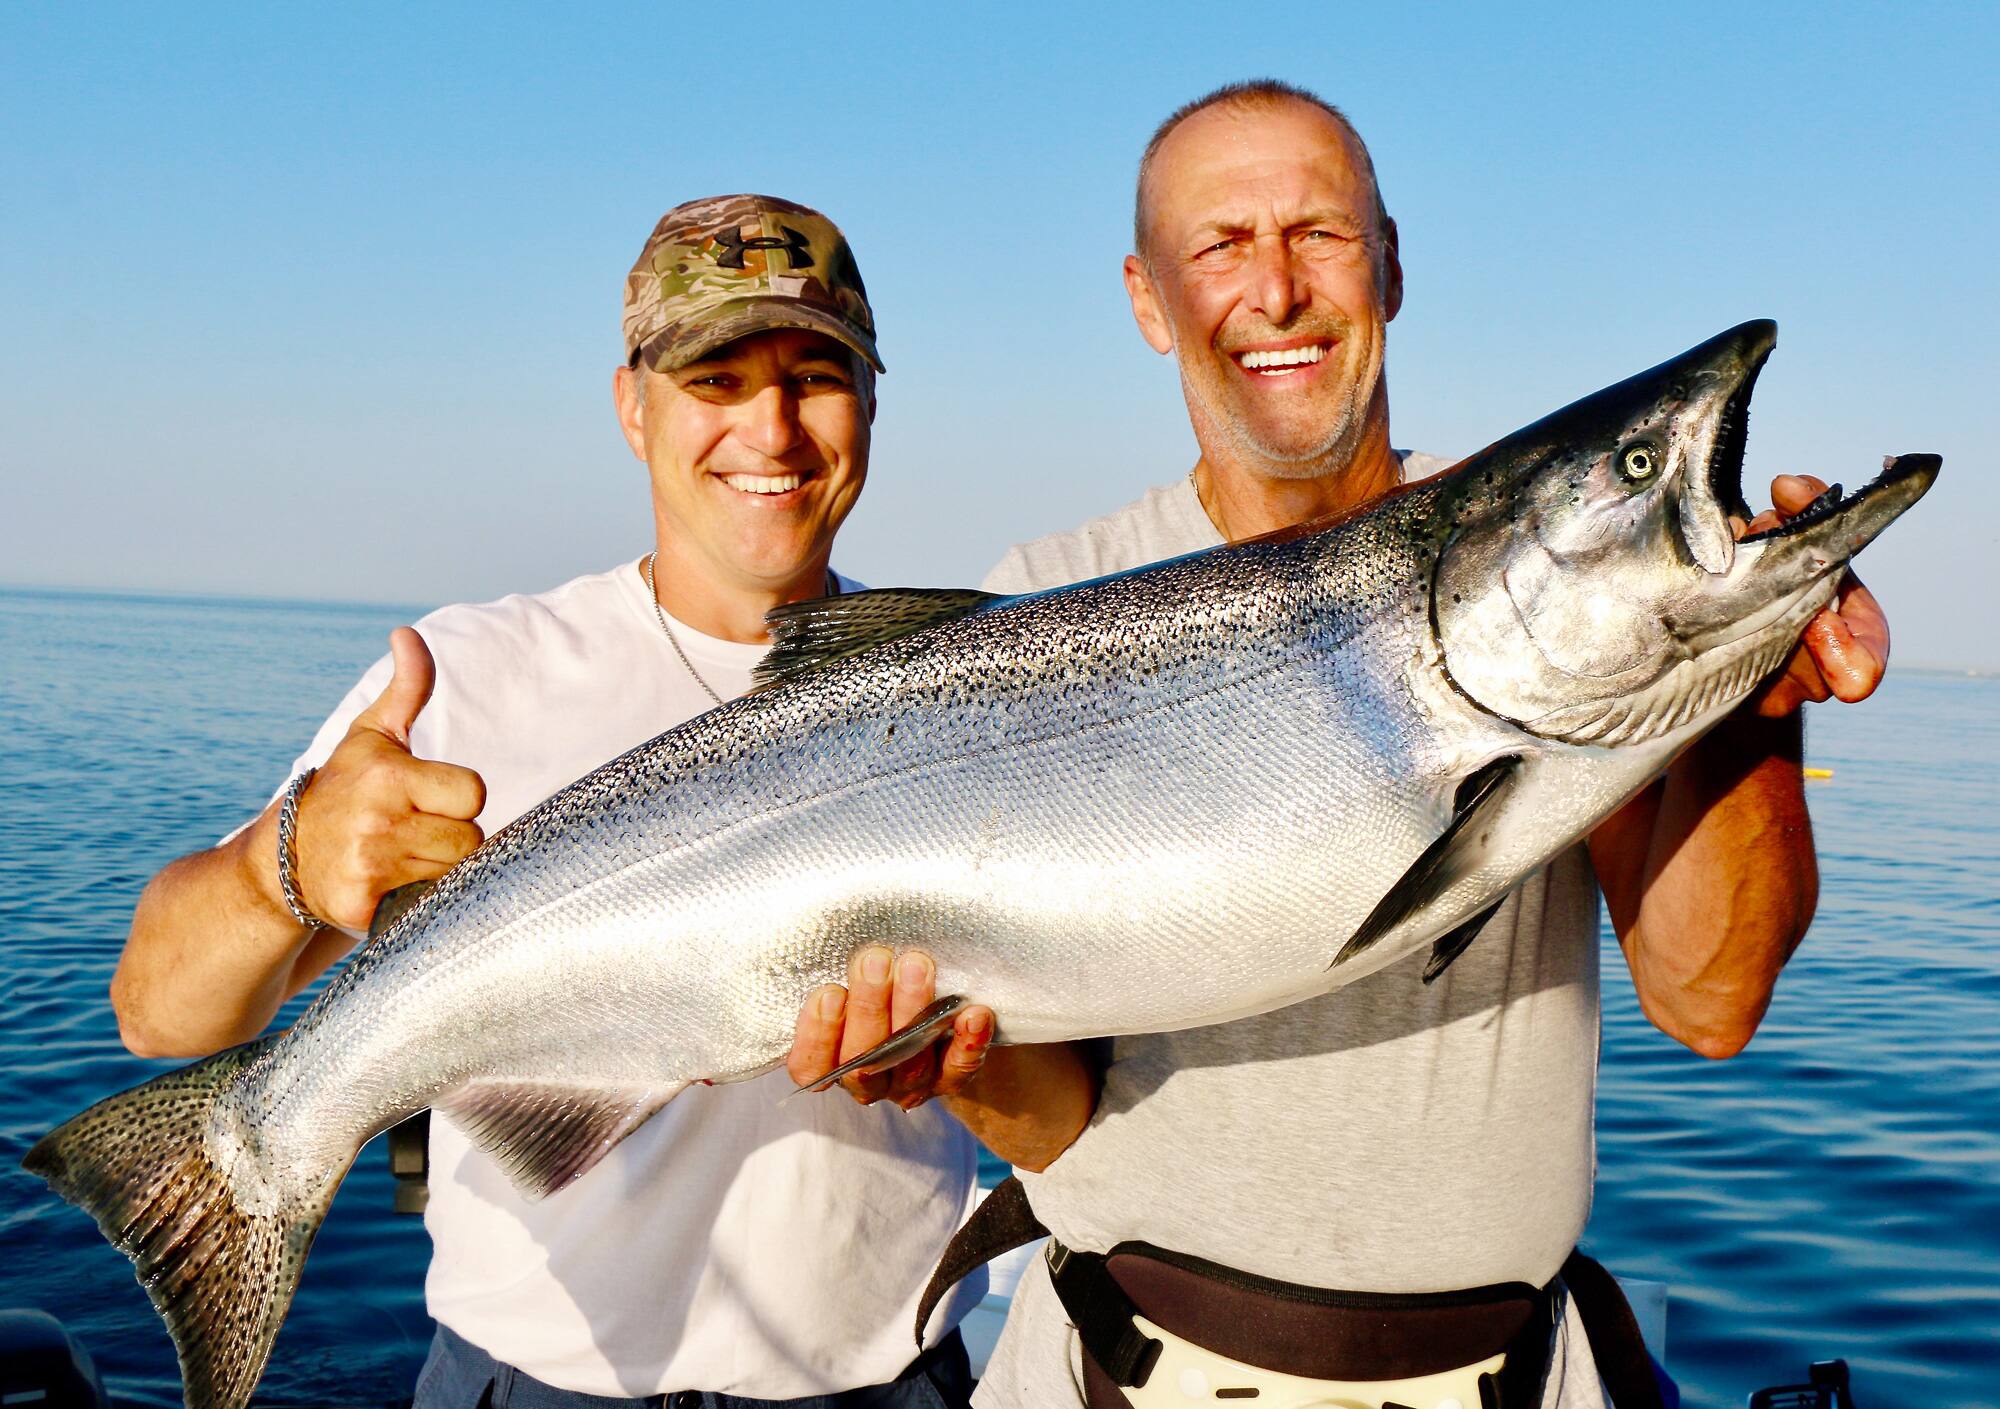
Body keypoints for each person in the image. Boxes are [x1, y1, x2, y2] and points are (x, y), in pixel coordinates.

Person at [789, 82, 1891, 1408]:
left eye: (1318, 233)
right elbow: (1054, 1119)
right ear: (1148, 300)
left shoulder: (1541, 571)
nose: (1277, 289)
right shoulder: (1047, 598)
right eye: (1221, 245)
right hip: (1115, 1376)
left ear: (1390, 267)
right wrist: (942, 1059)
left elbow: (1708, 1002)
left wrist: (1746, 678)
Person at [108, 195, 984, 1409]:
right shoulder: (465, 676)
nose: (771, 426)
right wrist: (283, 862)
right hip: (528, 1384)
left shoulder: (968, 686)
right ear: (632, 405)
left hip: (886, 1382)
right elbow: (155, 1013)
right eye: (716, 378)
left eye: (816, 376)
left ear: (872, 404)